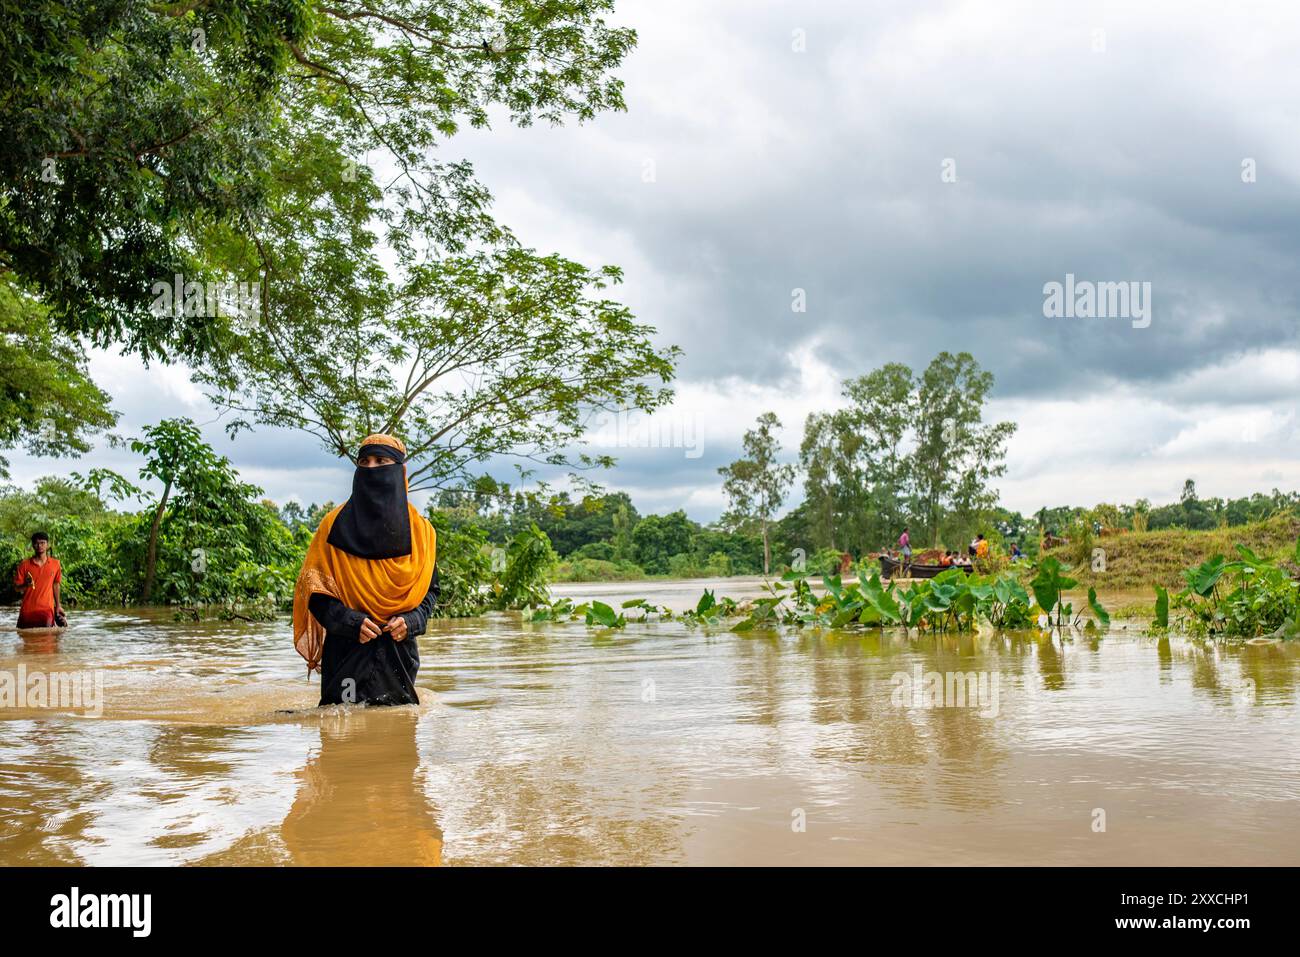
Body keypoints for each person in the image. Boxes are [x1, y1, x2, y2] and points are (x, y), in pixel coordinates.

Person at [292, 434, 439, 707]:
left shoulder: (422, 534)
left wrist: (412, 622)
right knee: (340, 732)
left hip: (399, 656)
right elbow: (314, 592)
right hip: (346, 655)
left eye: (381, 461)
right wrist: (351, 622)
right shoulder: (332, 527)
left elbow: (430, 591)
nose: (372, 468)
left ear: (399, 471)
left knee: (399, 735)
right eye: (364, 462)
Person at [13, 532, 65, 629]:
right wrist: (26, 584)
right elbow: (16, 588)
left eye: (42, 543)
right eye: (37, 543)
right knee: (25, 641)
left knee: (47, 640)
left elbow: (56, 585)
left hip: (46, 611)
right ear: (33, 545)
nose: (39, 546)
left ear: (47, 544)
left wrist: (58, 606)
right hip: (27, 611)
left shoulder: (55, 564)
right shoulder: (24, 565)